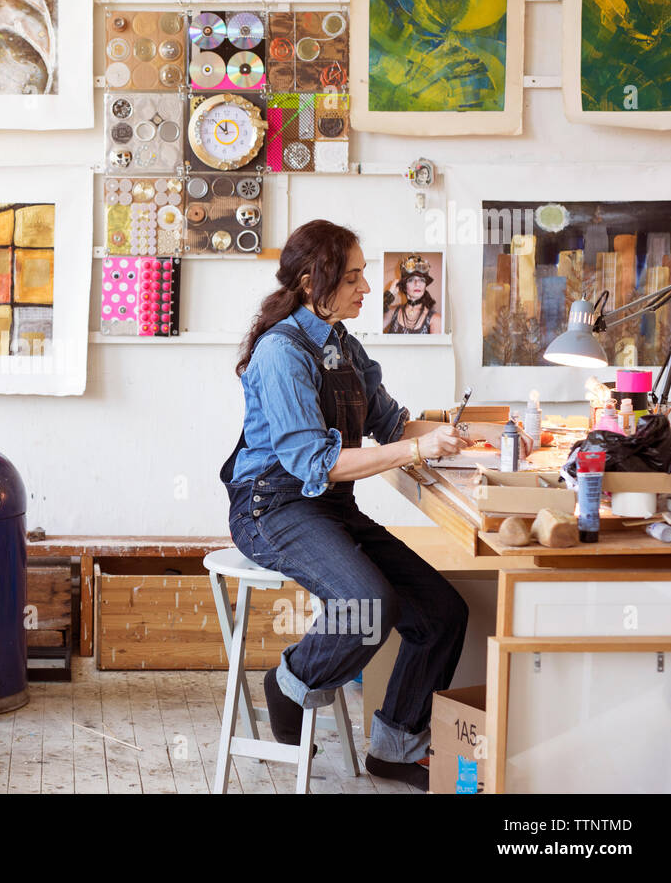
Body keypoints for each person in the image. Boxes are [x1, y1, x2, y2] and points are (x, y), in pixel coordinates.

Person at [218, 219, 529, 791]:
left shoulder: (342, 344)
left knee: (441, 613)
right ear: (314, 282)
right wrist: (415, 448)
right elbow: (316, 462)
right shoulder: (281, 353)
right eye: (356, 276)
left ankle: (394, 747)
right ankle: (288, 682)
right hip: (272, 509)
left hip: (328, 507)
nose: (370, 288)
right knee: (368, 602)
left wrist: (470, 432)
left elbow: (390, 422)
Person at [383, 254, 439, 334]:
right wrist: (389, 295)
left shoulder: (435, 319)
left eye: (422, 280)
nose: (417, 284)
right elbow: (371, 327)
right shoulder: (392, 312)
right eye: (411, 280)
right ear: (404, 286)